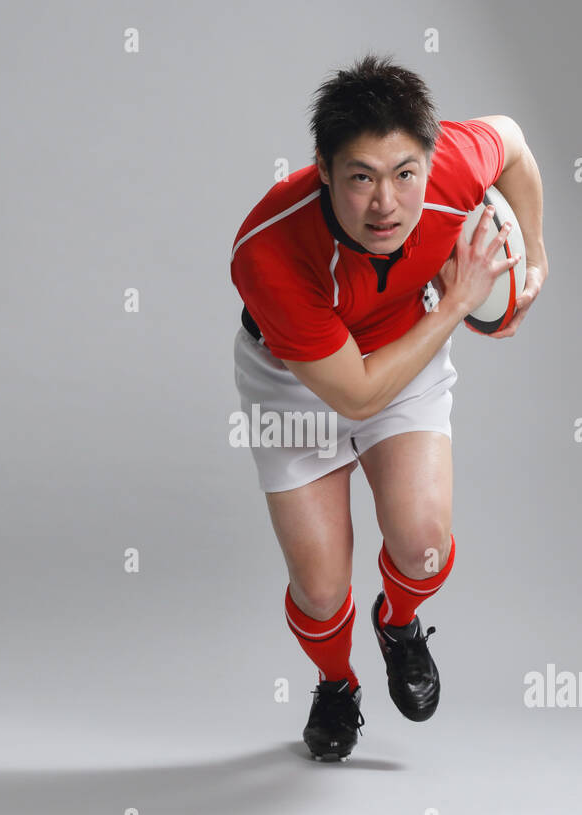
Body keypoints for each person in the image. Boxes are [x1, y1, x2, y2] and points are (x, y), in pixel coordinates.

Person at [229, 53, 548, 761]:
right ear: (322, 169)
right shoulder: (268, 252)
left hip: (405, 346)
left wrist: (538, 252)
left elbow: (515, 144)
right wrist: (460, 302)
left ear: (430, 160)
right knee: (319, 589)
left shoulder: (453, 168)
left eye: (405, 174)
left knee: (423, 541)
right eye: (361, 178)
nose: (387, 204)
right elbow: (356, 391)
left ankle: (398, 624)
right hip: (297, 381)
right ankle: (337, 684)